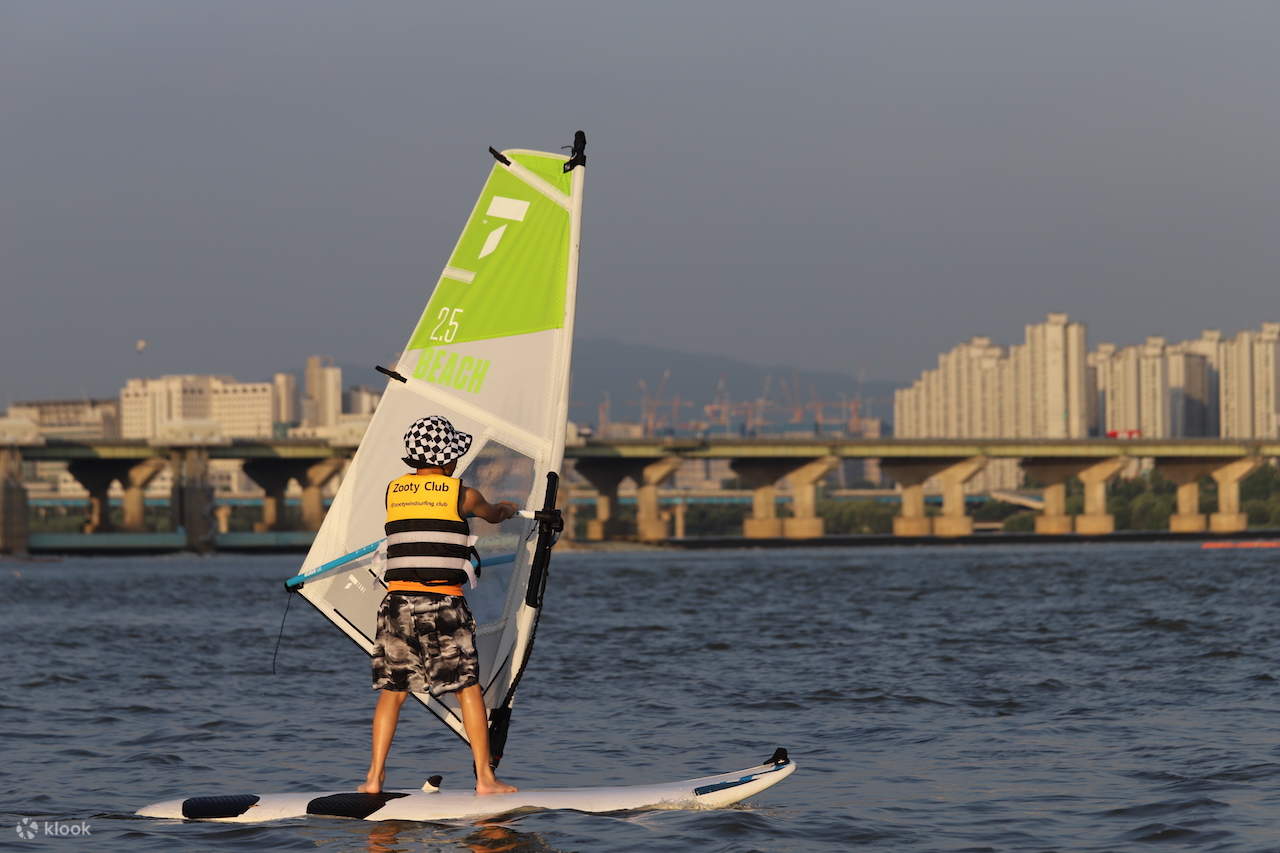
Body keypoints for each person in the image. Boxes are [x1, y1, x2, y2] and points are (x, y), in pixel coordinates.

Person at [358, 415, 519, 795]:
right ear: (448, 460)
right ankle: (485, 779)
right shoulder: (461, 494)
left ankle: (372, 779)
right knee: (467, 688)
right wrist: (508, 508)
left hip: (395, 603)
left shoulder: (393, 490)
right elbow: (493, 515)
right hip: (442, 603)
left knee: (393, 692)